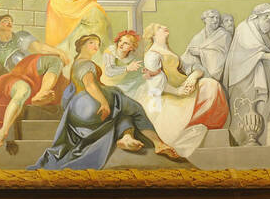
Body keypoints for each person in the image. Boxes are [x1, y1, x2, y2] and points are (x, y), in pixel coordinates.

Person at [31, 32, 170, 169]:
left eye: (97, 44)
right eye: (91, 43)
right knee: (134, 107)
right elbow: (90, 83)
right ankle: (158, 143)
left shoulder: (77, 63)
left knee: (122, 113)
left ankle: (126, 137)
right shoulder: (86, 64)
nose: (95, 46)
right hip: (90, 103)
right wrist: (103, 102)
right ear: (82, 46)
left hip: (79, 111)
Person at [138, 22, 229, 159]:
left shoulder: (169, 51)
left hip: (183, 89)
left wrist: (192, 78)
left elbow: (195, 68)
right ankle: (187, 128)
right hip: (165, 95)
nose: (164, 27)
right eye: (159, 28)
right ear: (153, 35)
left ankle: (198, 122)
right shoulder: (152, 54)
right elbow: (155, 84)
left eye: (163, 26)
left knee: (211, 84)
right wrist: (177, 92)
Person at [223, 3, 270, 145]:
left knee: (255, 108)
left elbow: (264, 51)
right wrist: (266, 56)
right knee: (242, 110)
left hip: (254, 74)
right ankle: (240, 141)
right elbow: (245, 53)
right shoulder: (245, 28)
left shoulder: (259, 31)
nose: (269, 20)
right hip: (241, 77)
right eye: (266, 16)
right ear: (256, 16)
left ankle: (252, 139)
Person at [181, 9, 232, 81]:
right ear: (205, 19)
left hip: (215, 75)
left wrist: (200, 52)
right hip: (199, 71)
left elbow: (223, 55)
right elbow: (188, 54)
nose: (215, 20)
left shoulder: (224, 35)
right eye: (212, 17)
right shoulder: (198, 37)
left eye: (217, 18)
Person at [100, 30, 145, 98]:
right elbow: (109, 71)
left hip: (120, 85)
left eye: (126, 43)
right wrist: (127, 68)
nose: (121, 44)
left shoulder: (132, 59)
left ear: (132, 47)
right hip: (106, 85)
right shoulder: (110, 51)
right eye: (120, 41)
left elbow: (134, 75)